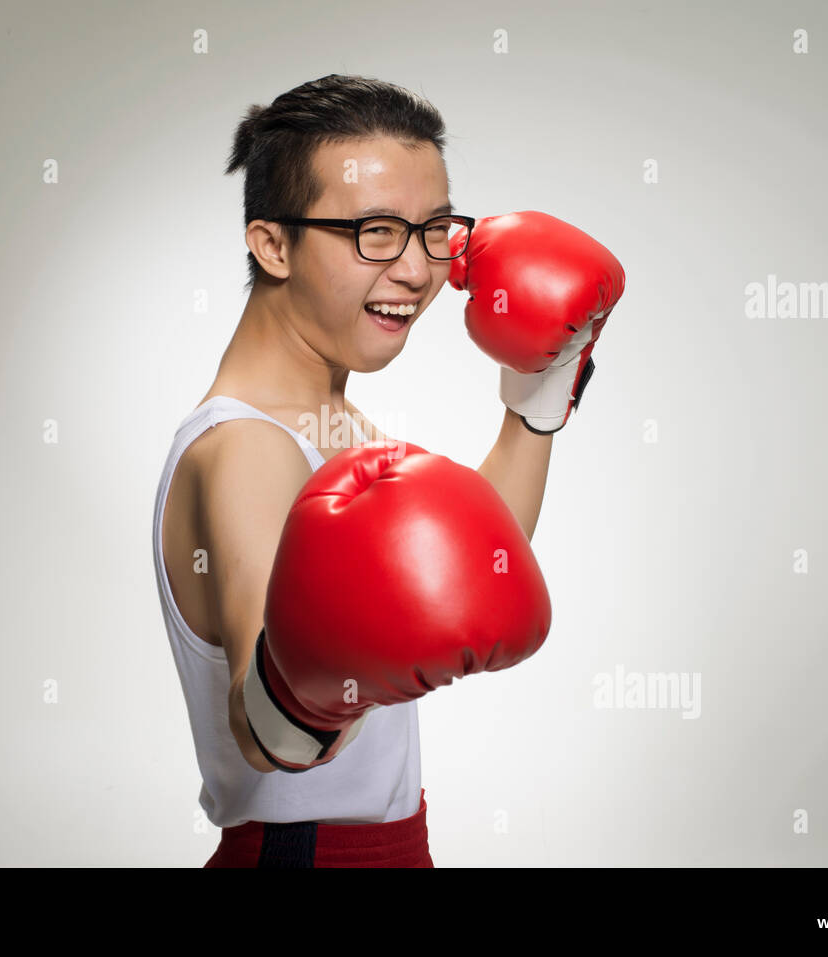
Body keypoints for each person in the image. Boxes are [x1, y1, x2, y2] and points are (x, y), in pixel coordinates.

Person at [150, 74, 623, 867]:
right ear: (272, 244)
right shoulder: (243, 445)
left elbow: (481, 557)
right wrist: (321, 682)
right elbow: (261, 724)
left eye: (434, 230)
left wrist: (537, 398)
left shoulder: (337, 426)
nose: (415, 270)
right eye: (375, 231)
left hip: (391, 845)